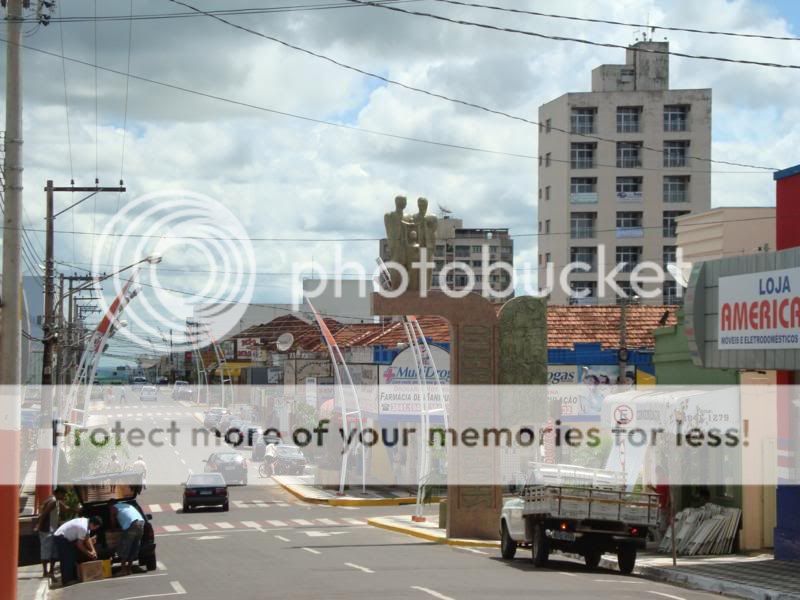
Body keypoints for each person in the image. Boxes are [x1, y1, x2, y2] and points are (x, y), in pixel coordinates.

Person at [53, 516, 103, 586]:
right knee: (67, 558)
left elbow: (87, 538)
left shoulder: (86, 522)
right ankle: (67, 581)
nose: (94, 529)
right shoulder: (83, 527)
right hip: (61, 537)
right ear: (92, 524)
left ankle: (71, 578)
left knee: (72, 556)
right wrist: (89, 553)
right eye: (95, 527)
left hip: (65, 537)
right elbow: (79, 545)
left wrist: (93, 550)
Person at [32, 487, 67, 578]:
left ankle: (50, 571)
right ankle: (45, 571)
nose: (64, 496)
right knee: (47, 551)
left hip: (53, 529)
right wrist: (39, 525)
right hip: (47, 530)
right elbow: (44, 514)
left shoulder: (55, 501)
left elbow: (65, 508)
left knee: (53, 551)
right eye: (63, 494)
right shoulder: (53, 501)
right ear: (58, 493)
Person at [110, 501, 145, 576]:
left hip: (132, 525)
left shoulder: (113, 507)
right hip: (141, 524)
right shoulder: (127, 505)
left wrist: (113, 529)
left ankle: (123, 570)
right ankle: (129, 569)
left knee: (125, 548)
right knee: (134, 548)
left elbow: (112, 521)